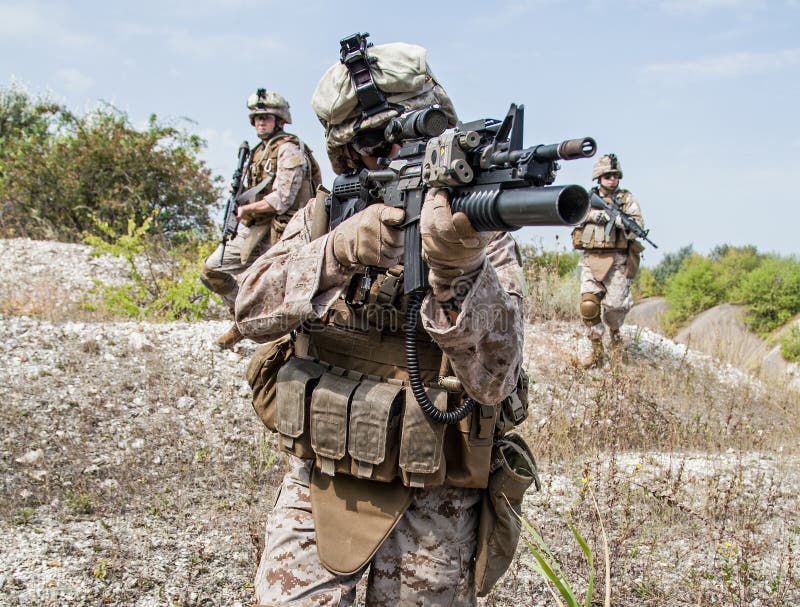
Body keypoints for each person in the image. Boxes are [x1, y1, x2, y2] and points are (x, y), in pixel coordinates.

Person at [236, 36, 535, 606]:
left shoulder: (479, 232)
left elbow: (494, 380)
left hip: (437, 487)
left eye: (414, 136)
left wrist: (459, 270)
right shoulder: (329, 212)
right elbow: (250, 307)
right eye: (377, 144)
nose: (398, 154)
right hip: (325, 470)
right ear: (351, 152)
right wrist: (337, 250)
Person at [201, 89, 321, 349]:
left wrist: (248, 209)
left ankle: (280, 340)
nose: (260, 122)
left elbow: (282, 199)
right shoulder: (258, 152)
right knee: (212, 269)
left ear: (280, 120)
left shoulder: (289, 150)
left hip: (285, 229)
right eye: (256, 118)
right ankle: (243, 321)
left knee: (283, 292)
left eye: (266, 117)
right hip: (255, 228)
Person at [572, 153, 645, 368]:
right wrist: (594, 216)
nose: (612, 180)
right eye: (607, 176)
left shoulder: (627, 200)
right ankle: (596, 351)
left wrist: (622, 222)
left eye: (615, 176)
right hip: (591, 259)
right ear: (598, 178)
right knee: (588, 305)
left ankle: (615, 335)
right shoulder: (586, 199)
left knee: (615, 307)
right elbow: (572, 217)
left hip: (617, 260)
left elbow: (638, 226)